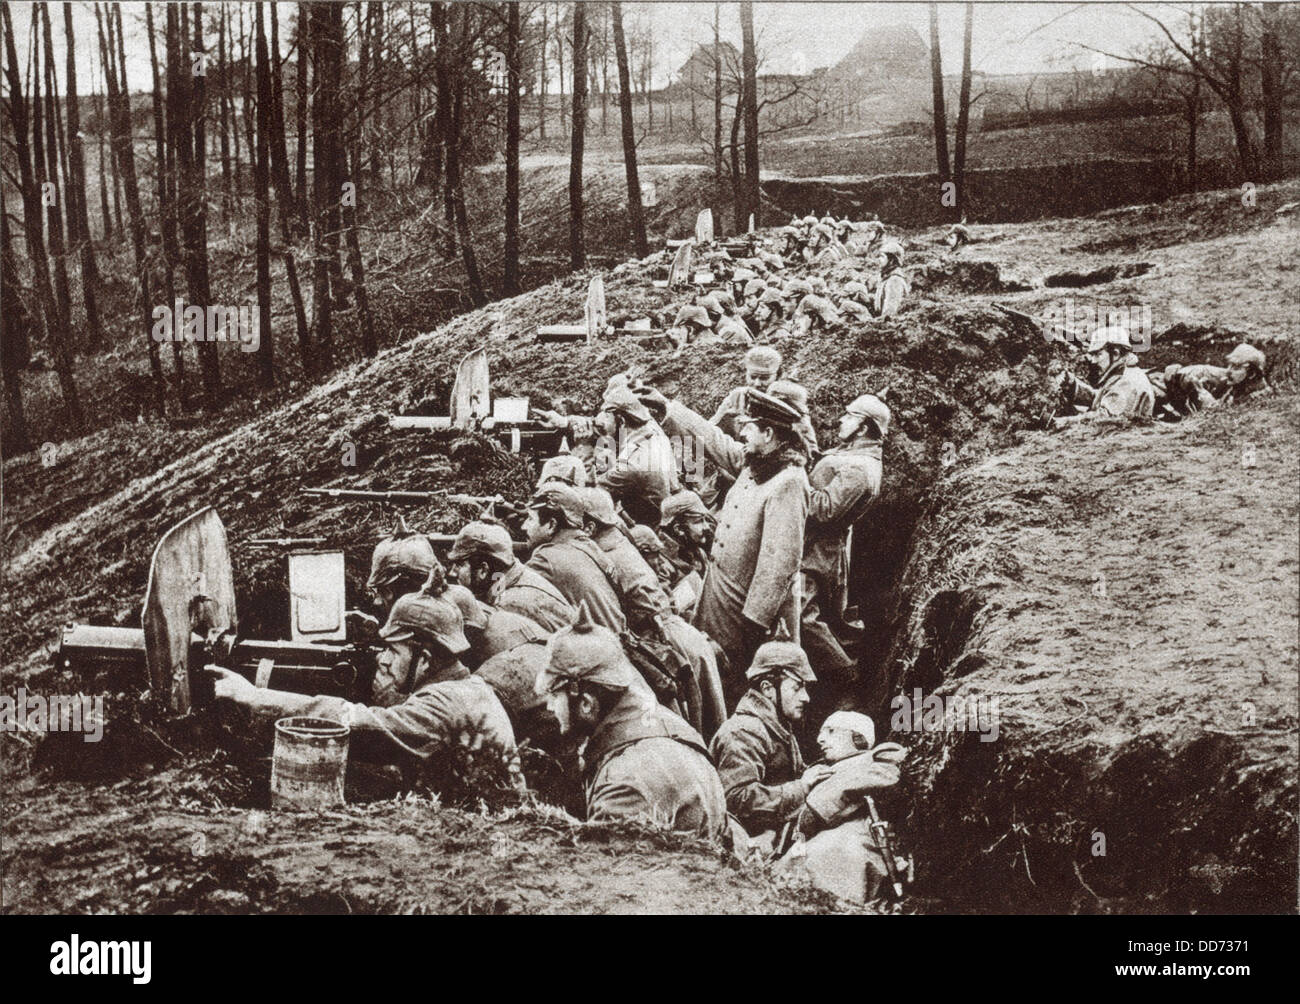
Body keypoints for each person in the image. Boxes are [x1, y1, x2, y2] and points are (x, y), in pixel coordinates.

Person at [205, 577, 522, 796]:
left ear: (424, 659)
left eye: (393, 651)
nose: (383, 660)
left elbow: (357, 723)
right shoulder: (467, 687)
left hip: (480, 832)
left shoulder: (441, 706)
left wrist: (255, 697)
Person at [649, 386, 811, 702]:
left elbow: (779, 563)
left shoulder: (789, 481)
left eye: (748, 427)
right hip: (719, 595)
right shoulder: (758, 462)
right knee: (713, 668)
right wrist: (668, 408)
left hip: (743, 611)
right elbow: (714, 440)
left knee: (737, 680)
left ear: (768, 433)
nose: (742, 433)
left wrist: (754, 623)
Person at [535, 606, 727, 839]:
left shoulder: (623, 788)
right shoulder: (668, 723)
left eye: (555, 696)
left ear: (586, 703)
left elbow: (604, 869)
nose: (549, 706)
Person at [579, 487, 727, 740]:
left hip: (668, 639)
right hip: (682, 637)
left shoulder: (607, 555)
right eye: (698, 520)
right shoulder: (623, 545)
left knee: (688, 722)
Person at [801, 393, 889, 716]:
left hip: (817, 553)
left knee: (803, 615)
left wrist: (795, 479)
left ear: (864, 427)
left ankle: (845, 676)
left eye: (849, 416)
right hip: (820, 549)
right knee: (831, 618)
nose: (841, 420)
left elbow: (823, 510)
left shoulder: (860, 469)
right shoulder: (854, 455)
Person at [775, 711, 907, 903]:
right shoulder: (819, 770)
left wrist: (820, 806)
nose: (820, 739)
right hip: (819, 837)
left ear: (857, 737)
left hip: (857, 837)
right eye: (821, 732)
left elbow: (888, 770)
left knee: (822, 858)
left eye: (831, 731)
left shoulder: (878, 758)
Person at [708, 631, 830, 840]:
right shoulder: (744, 732)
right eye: (797, 687)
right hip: (743, 840)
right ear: (767, 688)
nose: (806, 697)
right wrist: (801, 787)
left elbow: (793, 774)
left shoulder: (776, 725)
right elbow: (736, 800)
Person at [523, 484, 628, 636]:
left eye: (530, 519)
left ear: (552, 525)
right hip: (618, 644)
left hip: (593, 651)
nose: (524, 526)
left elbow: (510, 583)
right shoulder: (590, 546)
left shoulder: (546, 558)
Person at [447, 519, 574, 634]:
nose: (452, 572)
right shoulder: (511, 578)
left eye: (459, 565)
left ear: (483, 570)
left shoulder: (509, 605)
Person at [1055, 325, 1155, 426]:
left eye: (1098, 354)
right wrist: (1072, 385)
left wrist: (1064, 421)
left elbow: (1104, 417)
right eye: (1092, 355)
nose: (1093, 361)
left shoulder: (1128, 381)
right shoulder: (1122, 374)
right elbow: (1104, 399)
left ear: (1115, 353)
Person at [710, 345, 783, 439]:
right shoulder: (737, 396)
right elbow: (711, 429)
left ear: (778, 376)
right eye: (752, 377)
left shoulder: (784, 402)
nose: (757, 384)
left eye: (764, 378)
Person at [873, 240, 909, 318]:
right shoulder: (886, 278)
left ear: (892, 260)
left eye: (882, 256)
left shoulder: (894, 281)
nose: (879, 259)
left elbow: (889, 313)